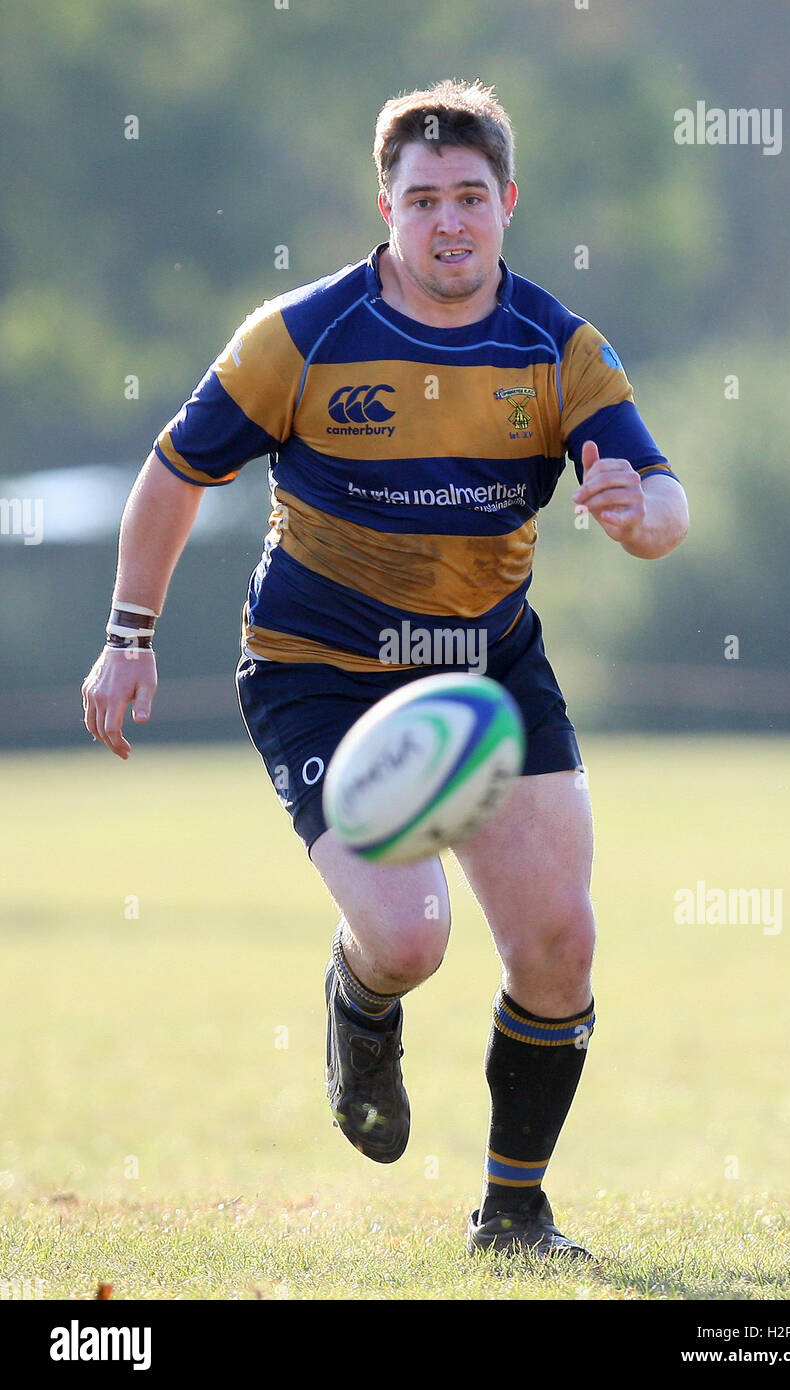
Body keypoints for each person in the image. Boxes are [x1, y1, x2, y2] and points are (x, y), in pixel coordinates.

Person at [82, 79, 689, 1264]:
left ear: (508, 203)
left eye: (471, 196)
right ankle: (361, 1001)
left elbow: (659, 499)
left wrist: (639, 513)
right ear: (386, 208)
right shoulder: (301, 335)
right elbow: (171, 473)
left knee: (559, 940)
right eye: (424, 201)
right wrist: (128, 635)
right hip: (321, 668)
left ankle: (512, 1216)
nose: (449, 222)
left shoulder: (556, 348)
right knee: (412, 938)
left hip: (486, 665)